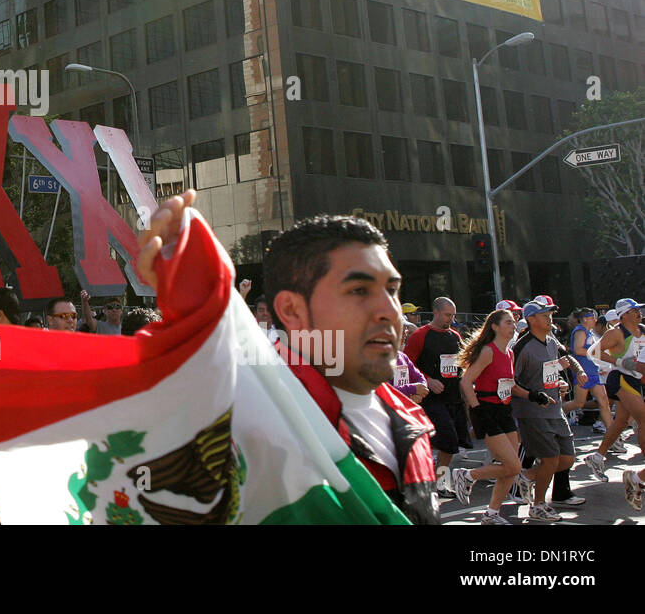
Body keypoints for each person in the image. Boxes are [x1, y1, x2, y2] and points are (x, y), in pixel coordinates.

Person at [135, 191, 437, 524]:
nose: (388, 311)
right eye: (359, 290)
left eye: (392, 290)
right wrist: (192, 320)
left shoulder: (411, 419)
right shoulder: (249, 420)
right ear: (291, 310)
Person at [510, 299, 587, 521]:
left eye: (550, 314)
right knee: (551, 460)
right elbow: (510, 383)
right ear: (531, 319)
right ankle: (538, 505)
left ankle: (524, 476)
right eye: (544, 314)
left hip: (556, 410)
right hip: (532, 411)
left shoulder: (551, 341)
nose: (549, 317)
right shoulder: (522, 347)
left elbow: (566, 359)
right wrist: (534, 395)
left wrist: (572, 375)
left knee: (568, 459)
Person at [454, 310, 526, 524]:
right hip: (486, 410)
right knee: (513, 466)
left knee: (511, 469)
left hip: (504, 410)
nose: (513, 326)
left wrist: (533, 394)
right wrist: (476, 409)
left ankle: (491, 514)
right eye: (508, 323)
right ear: (494, 326)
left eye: (514, 322)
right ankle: (467, 475)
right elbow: (465, 382)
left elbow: (509, 385)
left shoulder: (509, 353)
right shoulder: (488, 351)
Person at [403, 298, 470, 498]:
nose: (451, 319)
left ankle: (439, 482)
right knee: (446, 438)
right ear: (436, 313)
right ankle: (426, 479)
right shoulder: (420, 336)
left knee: (451, 444)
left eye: (453, 315)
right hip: (430, 399)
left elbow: (461, 365)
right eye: (447, 315)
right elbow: (406, 364)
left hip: (453, 397)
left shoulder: (455, 336)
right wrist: (428, 380)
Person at [587, 299, 645, 484]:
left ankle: (597, 456)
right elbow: (593, 352)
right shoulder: (616, 333)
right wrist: (618, 362)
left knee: (621, 421)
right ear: (624, 314)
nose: (639, 313)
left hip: (636, 380)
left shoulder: (642, 330)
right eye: (634, 310)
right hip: (620, 378)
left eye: (639, 310)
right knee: (643, 418)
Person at [564, 307, 612, 433]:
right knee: (578, 403)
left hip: (593, 371)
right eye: (593, 317)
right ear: (585, 319)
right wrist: (595, 353)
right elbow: (578, 350)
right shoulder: (580, 330)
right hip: (583, 372)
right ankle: (554, 414)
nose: (595, 320)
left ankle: (612, 433)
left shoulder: (588, 332)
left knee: (604, 402)